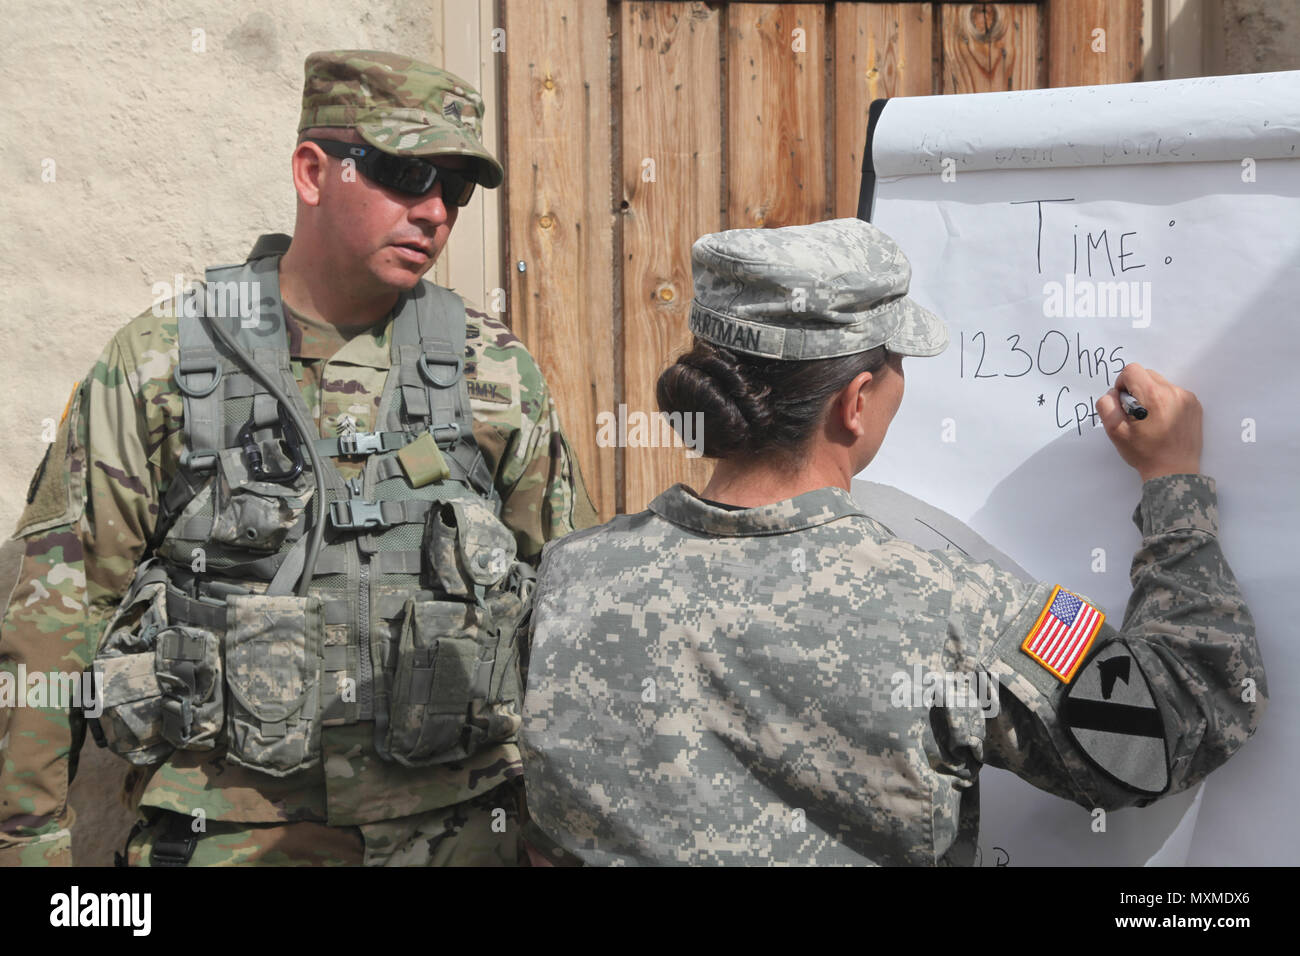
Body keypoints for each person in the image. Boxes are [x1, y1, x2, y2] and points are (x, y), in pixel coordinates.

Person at [0, 49, 596, 867]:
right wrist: (29, 846)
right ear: (314, 172)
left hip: (460, 836)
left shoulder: (492, 369)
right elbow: (54, 623)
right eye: (406, 171)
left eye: (453, 188)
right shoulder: (163, 363)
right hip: (225, 841)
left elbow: (573, 607)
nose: (434, 211)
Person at [518, 217, 1267, 866]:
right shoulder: (952, 613)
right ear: (855, 403)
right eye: (898, 364)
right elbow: (1176, 722)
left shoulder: (568, 580)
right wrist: (1174, 486)